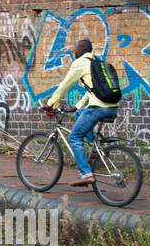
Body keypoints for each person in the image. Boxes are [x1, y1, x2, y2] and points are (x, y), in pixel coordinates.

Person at [42, 38, 118, 186]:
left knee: (75, 138)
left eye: (75, 50)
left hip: (98, 108)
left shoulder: (80, 63)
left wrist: (51, 104)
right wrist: (77, 107)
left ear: (81, 51)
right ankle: (93, 148)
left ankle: (86, 174)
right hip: (111, 107)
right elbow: (93, 91)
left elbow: (65, 85)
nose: (74, 53)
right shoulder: (98, 63)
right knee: (79, 114)